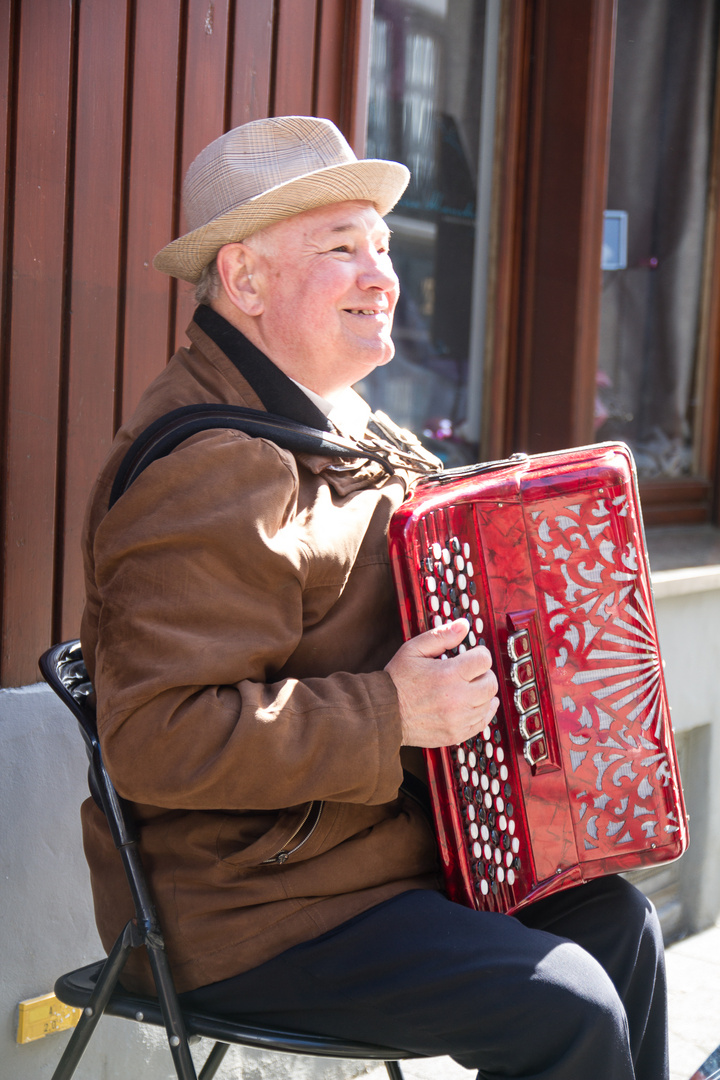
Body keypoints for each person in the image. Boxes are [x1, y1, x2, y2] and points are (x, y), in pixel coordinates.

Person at [80, 115, 668, 1080]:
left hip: (360, 861)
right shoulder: (212, 467)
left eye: (384, 247)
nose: (382, 275)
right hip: (252, 911)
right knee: (567, 1008)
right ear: (245, 280)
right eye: (341, 248)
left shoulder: (332, 424)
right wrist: (392, 710)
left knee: (619, 924)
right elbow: (156, 737)